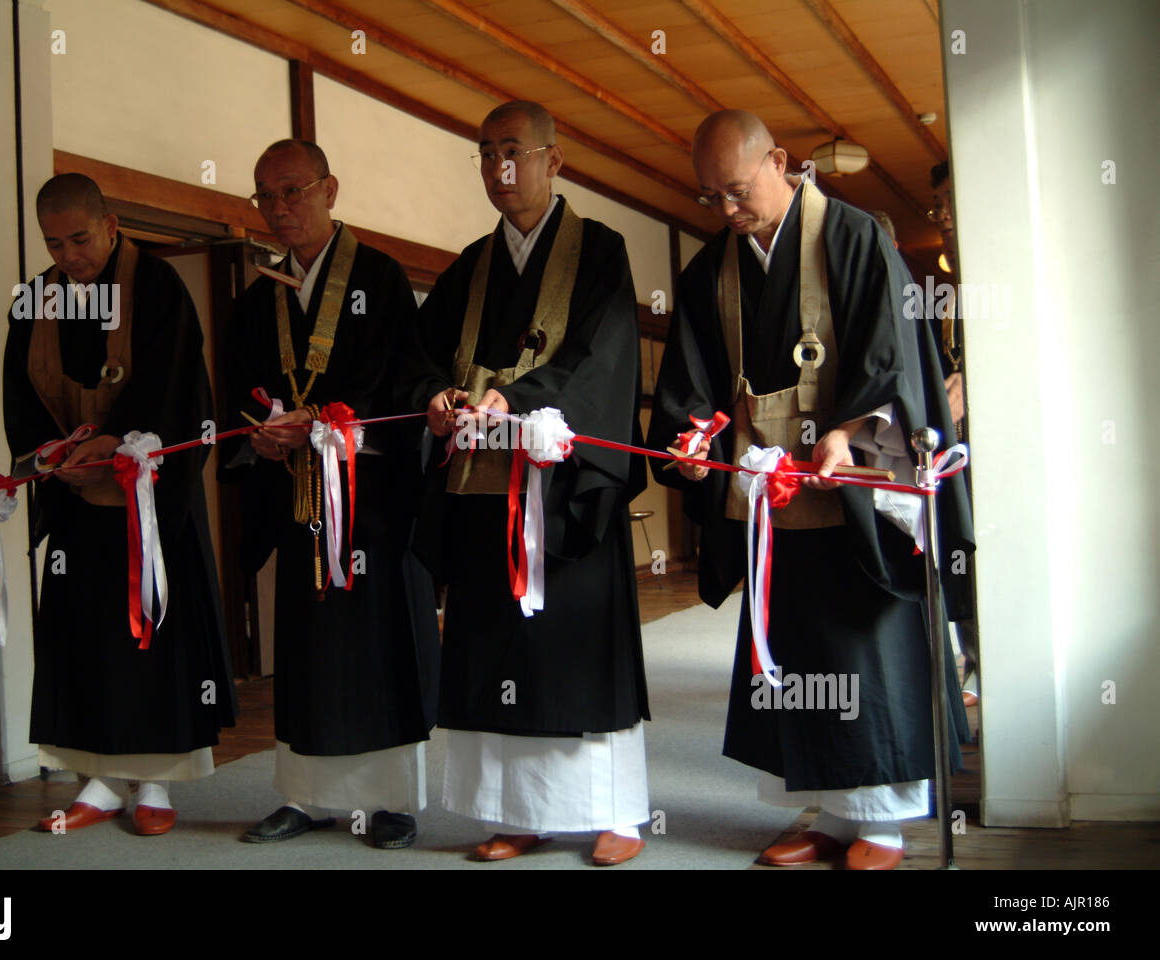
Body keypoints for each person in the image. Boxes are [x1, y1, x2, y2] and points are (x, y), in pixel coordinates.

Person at [648, 110, 974, 869]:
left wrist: (852, 429)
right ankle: (824, 811)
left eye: (735, 191)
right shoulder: (712, 270)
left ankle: (883, 821)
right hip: (771, 496)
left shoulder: (857, 238)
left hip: (849, 483)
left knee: (862, 648)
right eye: (710, 200)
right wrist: (693, 442)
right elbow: (690, 383)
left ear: (780, 161)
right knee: (792, 652)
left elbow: (892, 357)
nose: (727, 212)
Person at [398, 100, 650, 866]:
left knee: (574, 646)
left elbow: (603, 358)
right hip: (480, 486)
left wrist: (526, 398)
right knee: (493, 646)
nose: (497, 169)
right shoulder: (470, 265)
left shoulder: (600, 250)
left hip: (561, 492)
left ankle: (613, 811)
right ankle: (515, 809)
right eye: (484, 153)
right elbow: (420, 354)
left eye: (512, 151)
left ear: (553, 159)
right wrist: (435, 399)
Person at [221, 140, 440, 850]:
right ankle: (304, 794)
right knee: (308, 641)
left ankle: (392, 800)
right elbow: (238, 398)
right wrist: (256, 437)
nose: (279, 209)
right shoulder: (259, 298)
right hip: (299, 499)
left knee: (379, 641)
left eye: (293, 191)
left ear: (329, 190)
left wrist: (330, 426)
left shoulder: (380, 277)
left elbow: (404, 388)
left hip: (372, 497)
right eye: (265, 195)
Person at [3, 173, 236, 836]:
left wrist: (120, 442)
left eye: (80, 237)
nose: (70, 254)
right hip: (77, 500)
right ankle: (100, 781)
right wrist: (46, 455)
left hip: (146, 497)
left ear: (109, 225)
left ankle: (158, 784)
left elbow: (179, 389)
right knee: (85, 640)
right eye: (55, 242)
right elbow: (20, 394)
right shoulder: (35, 299)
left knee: (151, 637)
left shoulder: (158, 286)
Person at [929, 160, 980, 703]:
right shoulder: (949, 292)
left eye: (950, 200)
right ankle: (970, 664)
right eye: (937, 205)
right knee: (961, 555)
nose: (943, 214)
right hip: (961, 448)